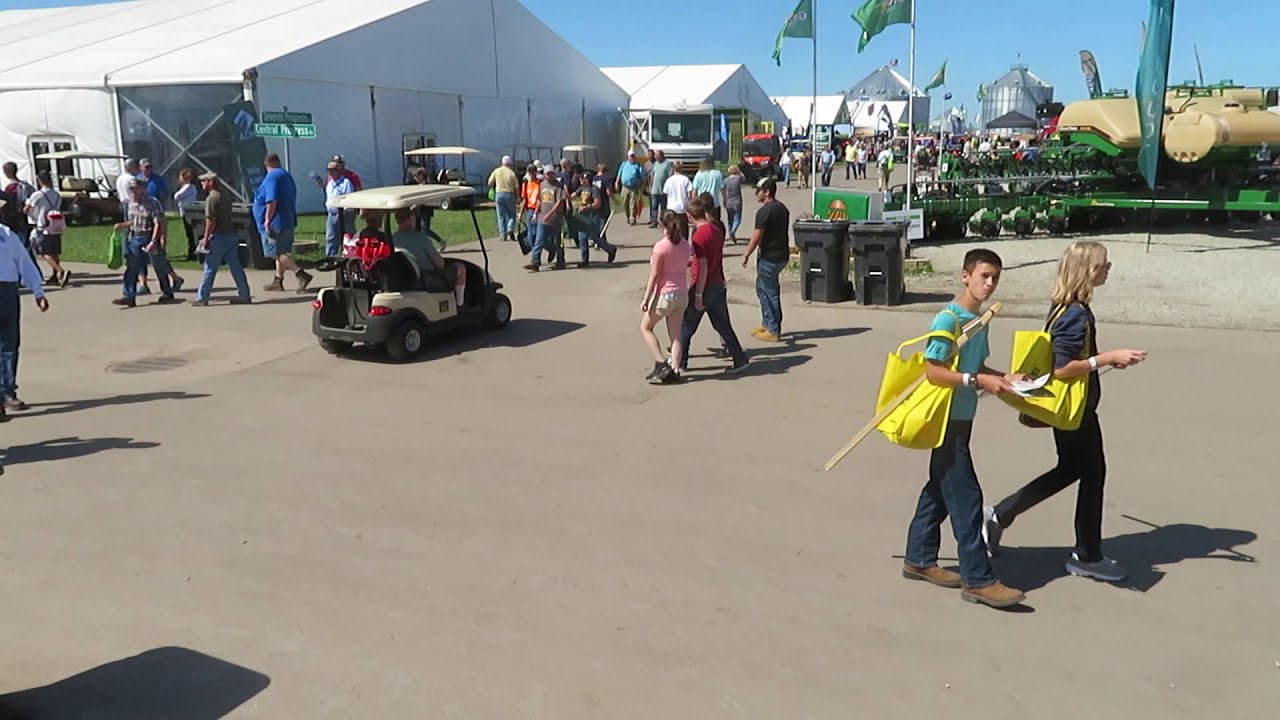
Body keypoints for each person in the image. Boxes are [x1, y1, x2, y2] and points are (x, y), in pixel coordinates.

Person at [984, 242, 1148, 582]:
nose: (1108, 269)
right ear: (1088, 270)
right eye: (1104, 264)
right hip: (1076, 409)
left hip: (1072, 407)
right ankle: (1087, 555)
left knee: (1071, 469)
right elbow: (1062, 368)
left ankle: (1000, 515)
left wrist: (1100, 361)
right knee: (1092, 474)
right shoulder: (1075, 313)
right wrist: (1106, 358)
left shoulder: (1065, 306)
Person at [901, 248, 1026, 608]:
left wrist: (1006, 378)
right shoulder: (948, 320)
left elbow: (978, 366)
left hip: (962, 419)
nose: (990, 284)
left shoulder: (980, 320)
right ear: (965, 276)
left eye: (995, 278)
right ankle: (978, 580)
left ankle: (918, 558)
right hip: (946, 420)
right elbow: (934, 371)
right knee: (967, 498)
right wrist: (978, 381)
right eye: (984, 276)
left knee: (939, 491)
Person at [678, 197, 747, 375]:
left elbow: (703, 267)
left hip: (703, 285)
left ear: (689, 216)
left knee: (686, 326)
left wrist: (698, 294)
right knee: (723, 325)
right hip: (717, 283)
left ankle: (680, 361)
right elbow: (710, 257)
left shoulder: (699, 235)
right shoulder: (716, 229)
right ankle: (739, 358)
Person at [0, 220, 49, 420]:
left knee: (9, 344)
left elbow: (24, 262)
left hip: (7, 292)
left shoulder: (6, 234)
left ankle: (7, 392)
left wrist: (38, 292)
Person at [112, 178, 183, 307]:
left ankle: (167, 292)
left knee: (159, 265)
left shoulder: (152, 202)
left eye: (136, 188)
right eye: (131, 189)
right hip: (135, 237)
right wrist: (122, 225)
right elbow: (133, 221)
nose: (133, 191)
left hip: (149, 236)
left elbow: (158, 223)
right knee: (132, 268)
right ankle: (129, 296)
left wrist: (154, 241)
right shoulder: (130, 203)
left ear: (143, 189)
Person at [640, 210, 692, 385]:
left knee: (646, 327)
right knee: (676, 336)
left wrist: (646, 298)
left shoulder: (661, 247)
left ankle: (661, 363)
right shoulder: (685, 245)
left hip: (665, 294)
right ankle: (675, 369)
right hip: (682, 293)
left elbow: (655, 275)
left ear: (662, 224)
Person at [253, 154, 312, 292]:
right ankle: (278, 280)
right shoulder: (286, 176)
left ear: (266, 165)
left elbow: (271, 199)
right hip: (287, 219)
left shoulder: (272, 177)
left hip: (275, 222)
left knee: (274, 253)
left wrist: (267, 219)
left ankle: (300, 274)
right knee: (281, 251)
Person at [192, 172, 251, 306]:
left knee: (210, 268)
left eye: (204, 181)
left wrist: (206, 238)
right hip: (230, 234)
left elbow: (211, 221)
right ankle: (245, 294)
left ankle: (202, 297)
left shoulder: (212, 199)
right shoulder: (225, 195)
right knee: (236, 267)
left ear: (210, 182)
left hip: (218, 237)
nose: (201, 183)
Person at [740, 178, 788, 343]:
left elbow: (756, 237)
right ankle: (767, 323)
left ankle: (773, 330)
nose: (756, 194)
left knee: (769, 292)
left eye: (758, 190)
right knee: (761, 289)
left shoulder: (765, 211)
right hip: (781, 255)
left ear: (767, 192)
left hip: (770, 257)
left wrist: (746, 254)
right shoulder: (782, 208)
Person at [391, 207, 466, 306]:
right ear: (410, 218)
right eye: (414, 217)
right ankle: (459, 304)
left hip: (406, 280)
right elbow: (440, 264)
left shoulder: (392, 239)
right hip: (428, 279)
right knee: (461, 268)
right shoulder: (421, 238)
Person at [23, 171, 69, 287]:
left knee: (44, 252)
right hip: (55, 225)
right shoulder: (56, 194)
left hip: (42, 226)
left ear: (40, 181)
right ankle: (55, 276)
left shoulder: (37, 194)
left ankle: (60, 270)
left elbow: (27, 209)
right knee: (54, 252)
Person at [572, 170, 618, 268]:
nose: (581, 180)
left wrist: (587, 207)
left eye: (583, 178)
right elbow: (572, 196)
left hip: (593, 216)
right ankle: (584, 260)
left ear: (587, 179)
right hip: (582, 217)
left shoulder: (594, 189)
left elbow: (598, 203)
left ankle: (610, 249)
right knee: (582, 238)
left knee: (595, 238)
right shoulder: (581, 189)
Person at [524, 168, 566, 272]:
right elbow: (539, 200)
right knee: (539, 240)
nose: (550, 175)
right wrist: (535, 213)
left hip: (555, 219)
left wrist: (550, 214)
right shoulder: (542, 184)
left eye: (552, 173)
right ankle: (535, 262)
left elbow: (559, 202)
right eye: (548, 173)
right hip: (542, 217)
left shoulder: (558, 186)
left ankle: (561, 261)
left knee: (558, 241)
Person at [318, 160, 356, 257]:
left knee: (347, 236)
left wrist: (343, 212)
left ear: (339, 171)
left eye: (333, 170)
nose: (331, 173)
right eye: (329, 171)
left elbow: (348, 199)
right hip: (332, 214)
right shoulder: (330, 184)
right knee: (330, 237)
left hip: (345, 214)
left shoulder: (346, 183)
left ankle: (348, 256)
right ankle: (331, 257)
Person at [488, 155, 520, 242]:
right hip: (510, 194)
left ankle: (503, 233)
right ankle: (510, 228)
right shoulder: (512, 173)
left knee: (501, 215)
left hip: (499, 193)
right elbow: (516, 187)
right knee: (511, 214)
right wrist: (518, 198)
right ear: (509, 163)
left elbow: (489, 182)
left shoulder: (496, 171)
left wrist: (494, 185)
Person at [173, 168, 199, 260]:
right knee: (189, 233)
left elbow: (177, 196)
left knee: (190, 234)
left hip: (188, 213)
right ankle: (192, 252)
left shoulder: (188, 187)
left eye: (180, 177)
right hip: (185, 212)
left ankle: (192, 253)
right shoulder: (189, 187)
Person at [615, 150, 645, 226]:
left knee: (633, 203)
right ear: (628, 157)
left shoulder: (637, 165)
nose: (632, 157)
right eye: (631, 156)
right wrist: (616, 182)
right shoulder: (624, 164)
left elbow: (642, 176)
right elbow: (619, 174)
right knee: (625, 203)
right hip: (625, 187)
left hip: (634, 187)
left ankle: (632, 218)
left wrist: (642, 186)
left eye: (633, 156)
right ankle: (628, 217)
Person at [648, 150, 672, 228]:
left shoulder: (667, 164)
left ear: (662, 155)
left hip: (663, 190)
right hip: (654, 190)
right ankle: (654, 221)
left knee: (663, 208)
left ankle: (663, 222)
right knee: (654, 207)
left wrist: (669, 189)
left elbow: (670, 176)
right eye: (656, 155)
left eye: (658, 155)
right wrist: (650, 186)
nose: (656, 157)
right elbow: (652, 176)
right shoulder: (655, 164)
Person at [721, 165, 744, 244]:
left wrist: (724, 198)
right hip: (737, 201)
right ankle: (732, 232)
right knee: (737, 219)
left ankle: (730, 232)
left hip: (729, 201)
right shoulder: (738, 178)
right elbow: (744, 177)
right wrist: (739, 171)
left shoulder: (726, 180)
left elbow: (722, 188)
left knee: (730, 219)